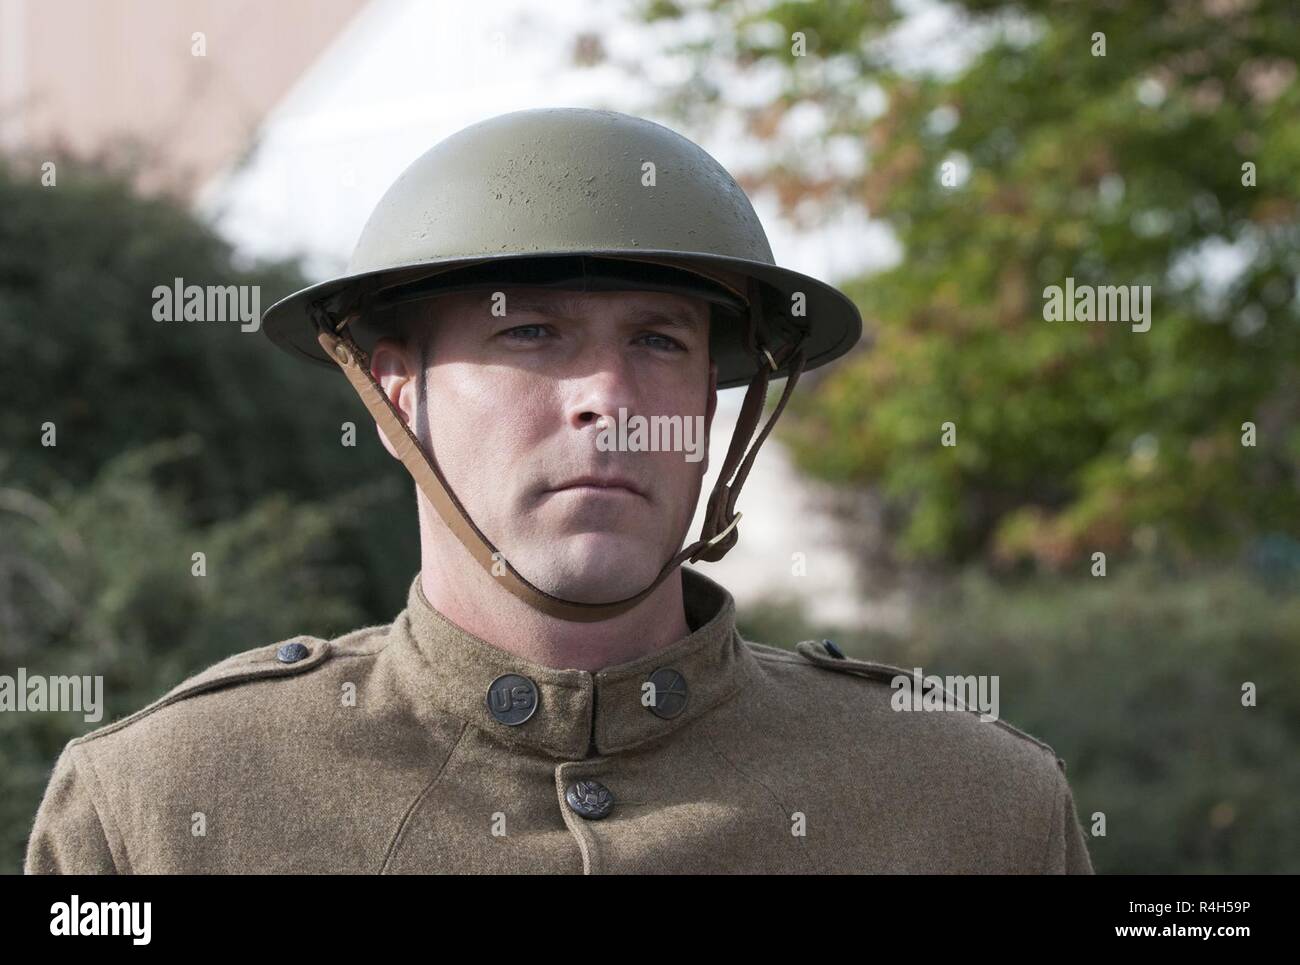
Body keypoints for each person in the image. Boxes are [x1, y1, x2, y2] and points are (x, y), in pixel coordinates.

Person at [25, 108, 1093, 873]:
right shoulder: (163, 808)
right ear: (398, 392)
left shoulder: (970, 802)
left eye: (659, 339)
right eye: (529, 331)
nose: (610, 399)